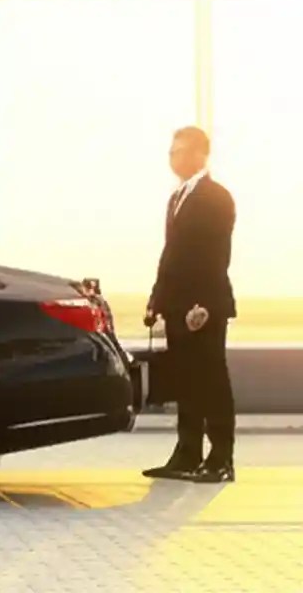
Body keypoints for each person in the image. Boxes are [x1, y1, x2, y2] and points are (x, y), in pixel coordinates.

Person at [142, 126, 238, 484]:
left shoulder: (216, 197)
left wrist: (202, 304)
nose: (173, 158)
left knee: (211, 380)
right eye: (171, 152)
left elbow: (215, 256)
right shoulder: (178, 197)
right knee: (186, 381)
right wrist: (157, 299)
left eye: (179, 151)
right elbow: (172, 256)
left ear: (200, 154)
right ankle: (187, 454)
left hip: (203, 306)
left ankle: (221, 458)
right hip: (177, 306)